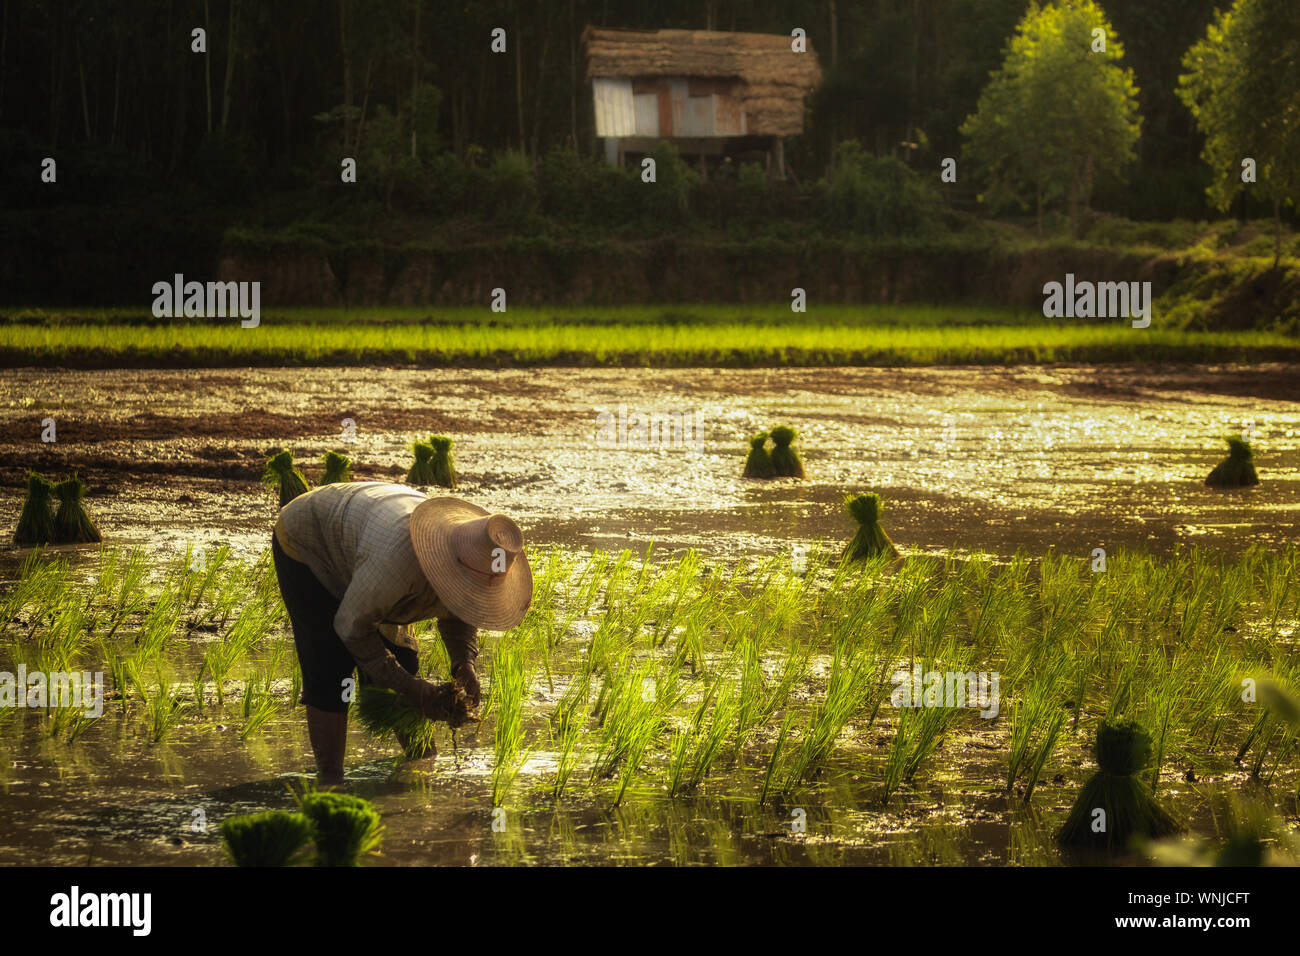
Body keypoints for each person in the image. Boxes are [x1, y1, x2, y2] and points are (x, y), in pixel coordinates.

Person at [271, 481, 532, 783]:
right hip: (311, 542)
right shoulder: (398, 562)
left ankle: (420, 765)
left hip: (368, 539)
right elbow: (352, 628)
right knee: (331, 667)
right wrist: (411, 689)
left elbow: (463, 609)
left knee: (403, 660)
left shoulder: (468, 557)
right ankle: (330, 781)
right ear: (447, 567)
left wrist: (464, 662)